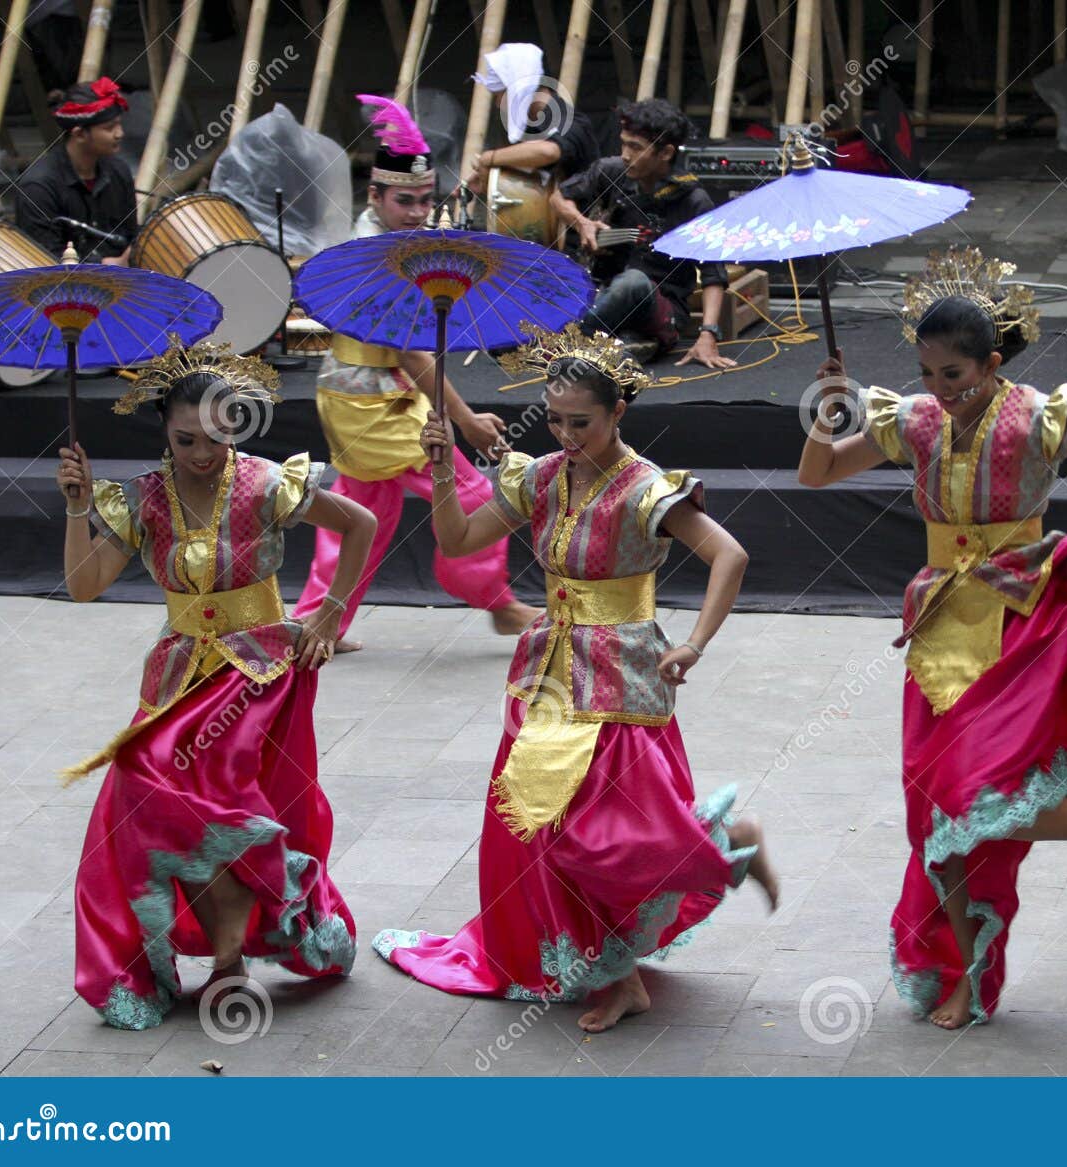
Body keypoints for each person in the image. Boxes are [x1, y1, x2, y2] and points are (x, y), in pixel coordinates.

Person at [372, 322, 777, 1033]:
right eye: (554, 420)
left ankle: (719, 853)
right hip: (549, 670)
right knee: (535, 826)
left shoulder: (648, 488)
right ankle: (616, 965)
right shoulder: (542, 476)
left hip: (620, 675)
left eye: (580, 422)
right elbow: (459, 539)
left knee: (599, 830)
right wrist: (441, 468)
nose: (564, 434)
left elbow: (732, 555)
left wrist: (695, 643)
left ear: (618, 411)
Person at [798, 248, 1067, 1028]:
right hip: (937, 627)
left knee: (973, 796)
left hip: (1020, 621)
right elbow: (818, 476)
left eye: (954, 375)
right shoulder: (916, 421)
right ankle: (965, 970)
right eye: (927, 373)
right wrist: (827, 407)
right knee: (935, 810)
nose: (938, 390)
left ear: (992, 363)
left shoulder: (1039, 417)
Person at [54, 341, 377, 1030]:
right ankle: (229, 941)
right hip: (176, 675)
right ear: (165, 433)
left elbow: (362, 524)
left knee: (217, 795)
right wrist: (78, 507)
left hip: (255, 670)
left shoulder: (263, 484)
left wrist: (328, 609)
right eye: (186, 439)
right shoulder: (143, 498)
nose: (204, 452)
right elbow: (83, 587)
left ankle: (231, 956)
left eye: (218, 434)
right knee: (150, 790)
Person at [293, 95, 538, 652]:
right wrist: (468, 420)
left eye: (426, 200)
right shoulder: (380, 258)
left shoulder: (380, 240)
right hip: (378, 406)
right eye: (405, 200)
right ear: (375, 194)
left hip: (353, 395)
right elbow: (410, 355)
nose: (418, 212)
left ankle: (317, 621)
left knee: (360, 513)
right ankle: (497, 603)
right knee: (473, 496)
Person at [551, 98, 734, 369]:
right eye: (623, 143)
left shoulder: (694, 201)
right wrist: (582, 223)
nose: (625, 154)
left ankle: (563, 339)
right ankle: (613, 344)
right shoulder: (611, 170)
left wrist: (708, 334)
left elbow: (713, 274)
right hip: (602, 293)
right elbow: (557, 196)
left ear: (665, 153)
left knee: (633, 282)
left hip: (660, 308)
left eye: (635, 147)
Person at [14, 77, 137, 263]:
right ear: (79, 134)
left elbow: (130, 234)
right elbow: (43, 261)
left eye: (119, 124)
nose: (120, 134)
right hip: (64, 288)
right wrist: (101, 267)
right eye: (109, 128)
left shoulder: (119, 171)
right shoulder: (38, 187)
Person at [464, 42, 598, 194]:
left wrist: (489, 158)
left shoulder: (571, 121)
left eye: (498, 95)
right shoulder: (533, 127)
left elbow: (550, 151)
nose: (497, 104)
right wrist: (493, 176)